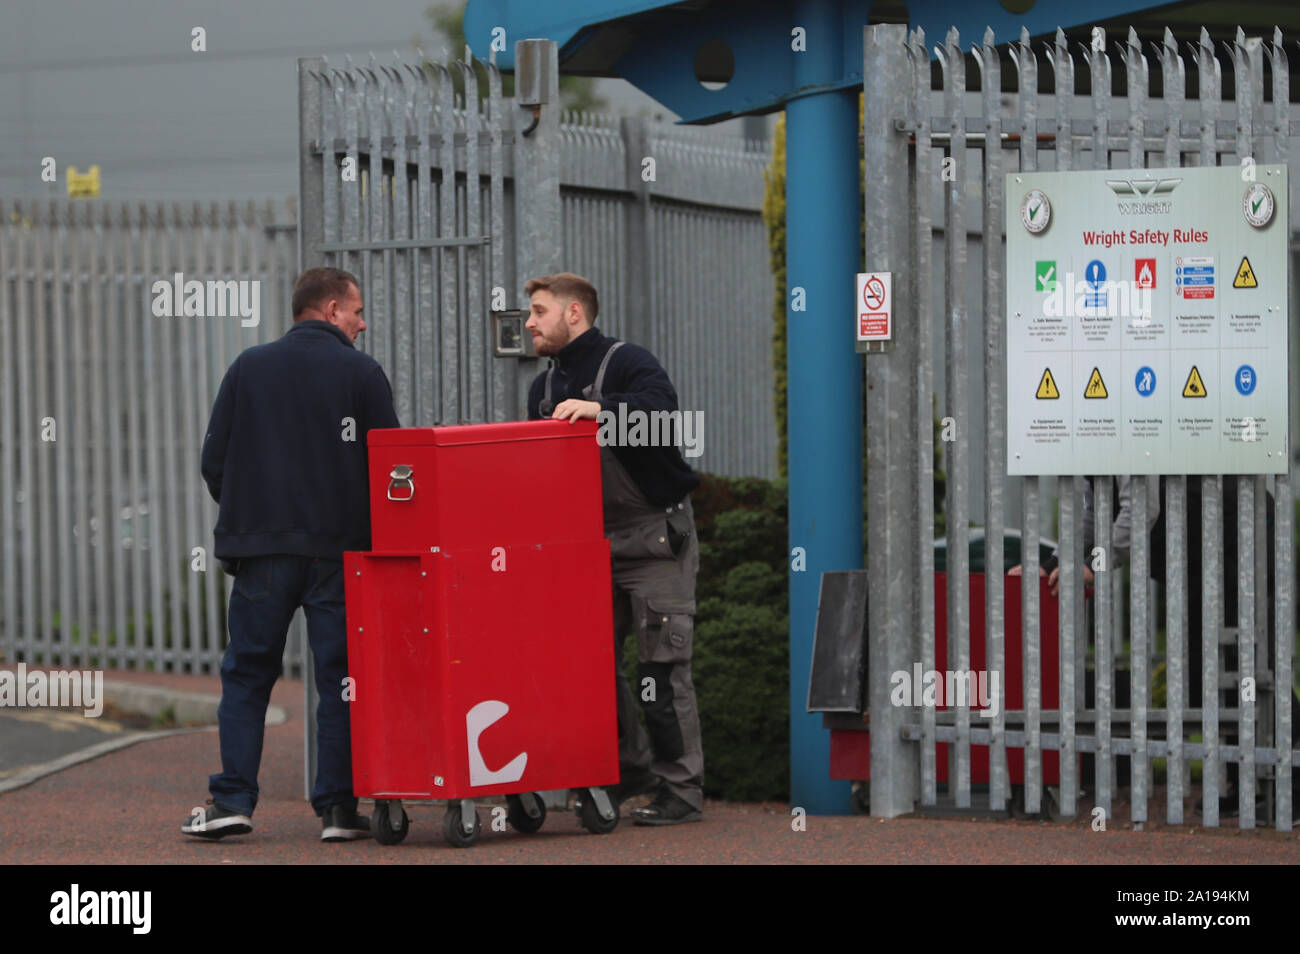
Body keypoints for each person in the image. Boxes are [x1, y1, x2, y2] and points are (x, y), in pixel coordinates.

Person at [184, 267, 400, 841]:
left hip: (262, 553)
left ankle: (231, 800)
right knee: (340, 678)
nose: (362, 322)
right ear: (331, 310)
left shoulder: (248, 367)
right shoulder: (362, 372)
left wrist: (252, 517)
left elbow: (214, 460)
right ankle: (337, 809)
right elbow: (389, 467)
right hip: (339, 556)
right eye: (356, 311)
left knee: (248, 675)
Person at [524, 272, 704, 825]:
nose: (528, 322)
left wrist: (601, 411)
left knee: (660, 669)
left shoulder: (629, 363)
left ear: (574, 313)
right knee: (587, 668)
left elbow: (664, 415)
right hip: (587, 547)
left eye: (538, 311)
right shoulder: (543, 390)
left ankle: (682, 792)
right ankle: (625, 772)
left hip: (653, 540)